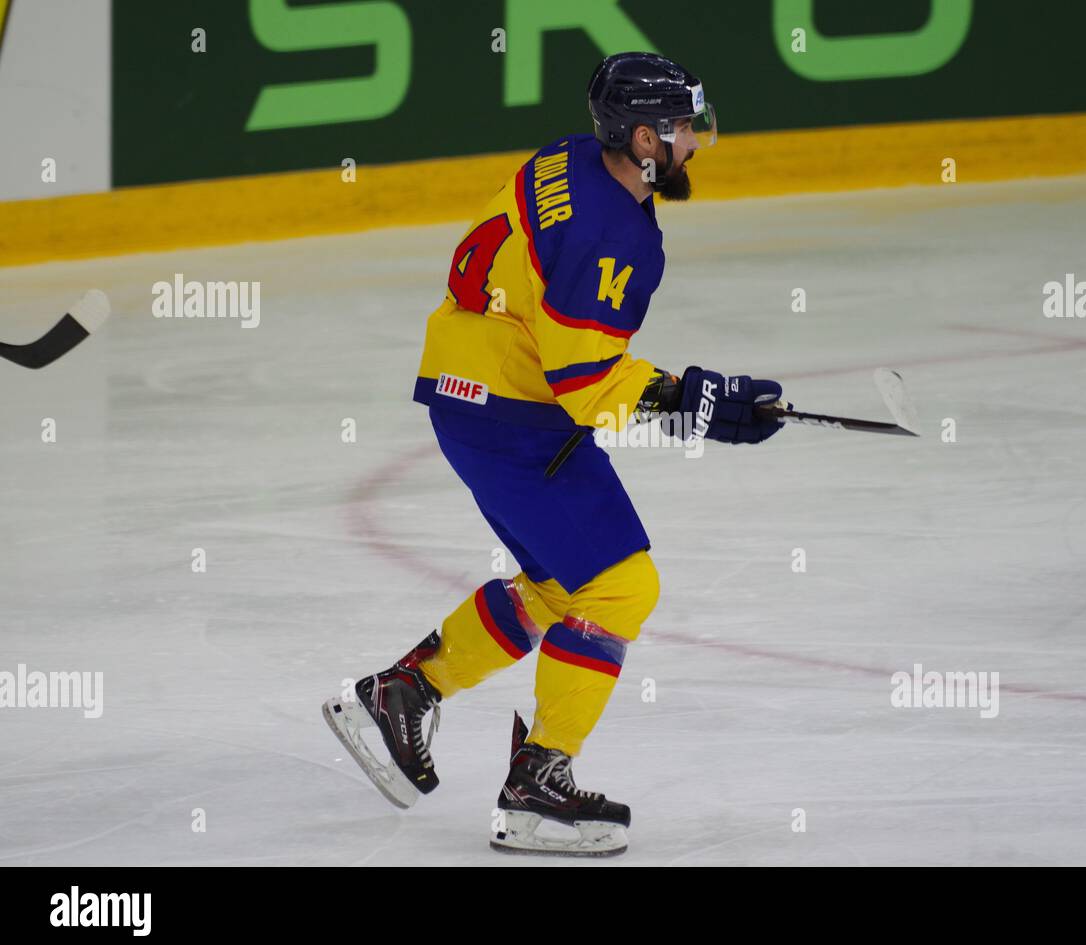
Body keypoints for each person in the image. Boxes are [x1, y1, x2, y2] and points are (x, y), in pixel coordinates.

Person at [324, 51, 784, 856]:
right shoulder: (612, 234)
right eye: (682, 128)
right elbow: (586, 385)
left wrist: (693, 398)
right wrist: (701, 402)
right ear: (643, 139)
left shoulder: (567, 157)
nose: (696, 142)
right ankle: (538, 784)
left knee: (557, 583)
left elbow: (560, 336)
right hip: (513, 415)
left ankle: (401, 695)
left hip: (469, 387)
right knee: (619, 589)